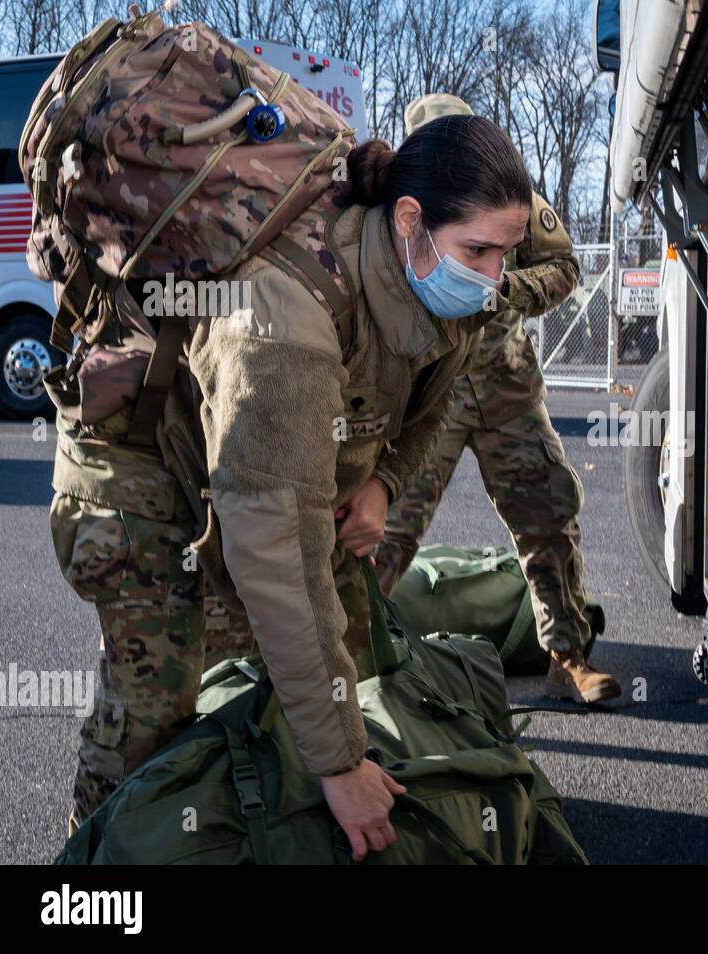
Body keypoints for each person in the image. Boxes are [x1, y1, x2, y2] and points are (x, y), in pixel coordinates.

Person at [50, 114, 541, 860]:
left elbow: (430, 409)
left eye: (506, 254)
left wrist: (382, 481)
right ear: (409, 220)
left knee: (307, 670)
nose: (493, 277)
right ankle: (91, 868)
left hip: (247, 461)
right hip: (137, 467)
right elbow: (276, 541)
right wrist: (340, 765)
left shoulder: (444, 291)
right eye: (478, 251)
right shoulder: (285, 316)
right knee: (158, 698)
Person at [374, 93, 620, 705]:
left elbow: (563, 266)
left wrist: (508, 288)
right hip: (432, 391)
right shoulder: (408, 208)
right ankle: (357, 665)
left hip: (506, 389)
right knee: (386, 524)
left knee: (546, 511)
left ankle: (567, 655)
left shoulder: (509, 197)